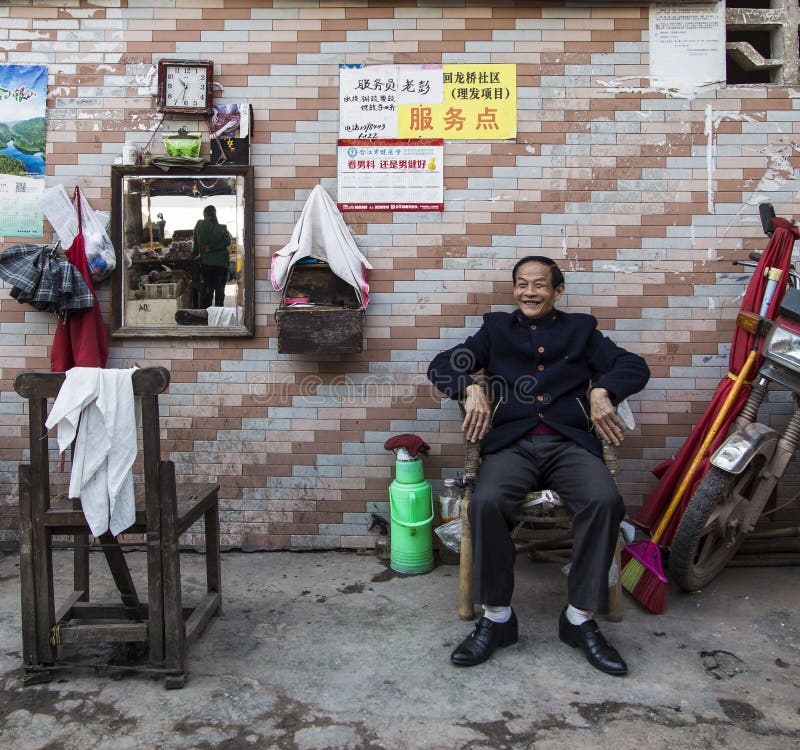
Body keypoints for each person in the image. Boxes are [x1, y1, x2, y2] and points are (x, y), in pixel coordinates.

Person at [427, 256, 649, 676]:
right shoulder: (496, 330)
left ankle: (579, 619)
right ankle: (497, 619)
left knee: (604, 501)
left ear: (557, 291)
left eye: (540, 285)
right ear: (514, 290)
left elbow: (634, 366)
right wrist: (468, 389)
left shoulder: (580, 330)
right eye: (522, 284)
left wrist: (604, 389)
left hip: (570, 444)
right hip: (512, 446)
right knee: (486, 503)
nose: (530, 292)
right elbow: (442, 364)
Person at [193, 205, 231, 308]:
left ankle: (207, 317)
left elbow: (196, 245)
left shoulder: (199, 225)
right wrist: (213, 247)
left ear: (205, 214)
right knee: (219, 293)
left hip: (206, 264)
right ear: (215, 214)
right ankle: (218, 316)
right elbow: (228, 241)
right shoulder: (222, 228)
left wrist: (194, 255)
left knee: (208, 292)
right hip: (221, 265)